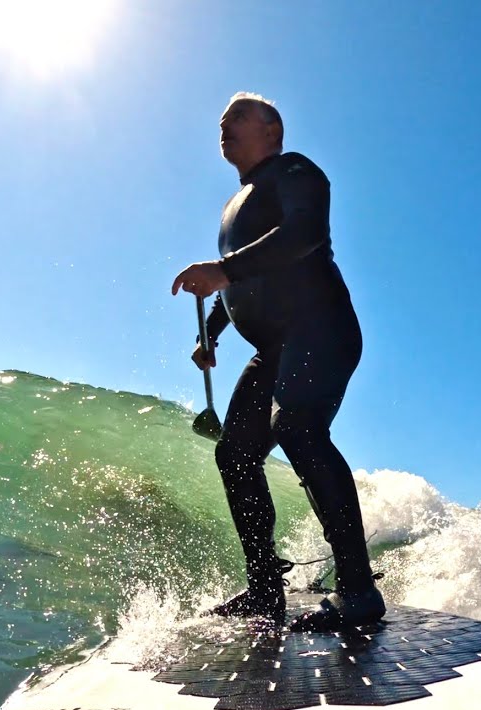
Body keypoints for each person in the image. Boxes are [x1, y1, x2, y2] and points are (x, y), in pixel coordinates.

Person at [170, 92, 384, 631]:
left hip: (321, 326)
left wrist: (223, 268)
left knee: (298, 427)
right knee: (236, 453)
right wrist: (213, 334)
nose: (225, 124)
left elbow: (303, 235)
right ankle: (266, 590)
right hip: (274, 348)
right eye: (222, 119)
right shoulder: (234, 205)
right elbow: (238, 284)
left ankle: (358, 591)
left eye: (238, 116)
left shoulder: (294, 171)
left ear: (272, 129)